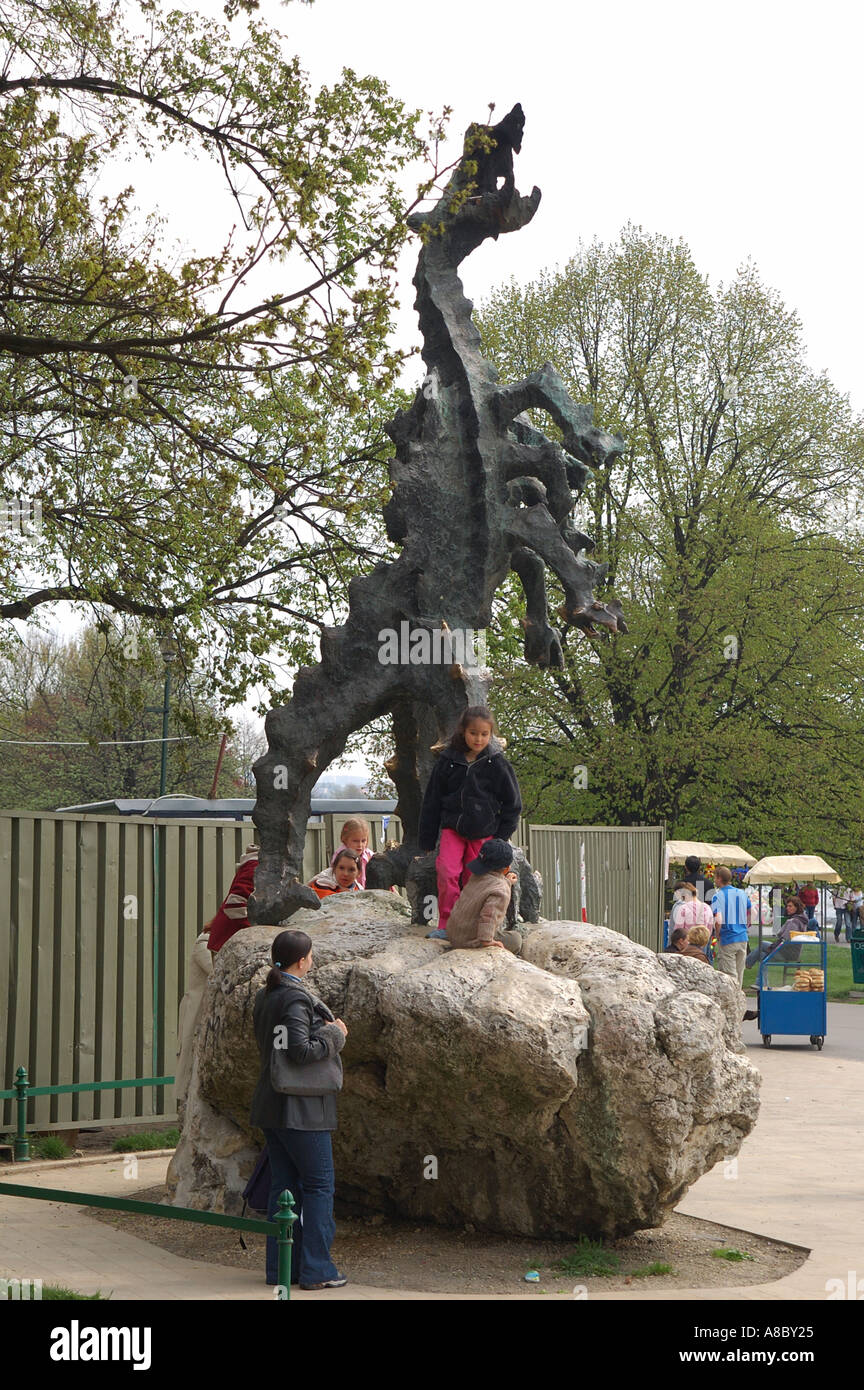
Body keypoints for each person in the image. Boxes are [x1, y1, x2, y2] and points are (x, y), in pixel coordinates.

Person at [251, 928, 348, 1291]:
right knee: (319, 1186)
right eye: (311, 955)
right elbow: (300, 1050)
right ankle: (318, 1270)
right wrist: (335, 1033)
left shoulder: (266, 995)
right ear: (303, 960)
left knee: (283, 1188)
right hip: (301, 1110)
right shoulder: (295, 998)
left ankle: (281, 1270)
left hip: (272, 1107)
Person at [418, 704, 522, 941]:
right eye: (473, 733)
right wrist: (426, 836)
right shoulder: (447, 761)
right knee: (447, 872)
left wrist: (500, 837)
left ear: (491, 734)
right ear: (463, 731)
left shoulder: (497, 763)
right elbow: (432, 801)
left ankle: (473, 926)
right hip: (452, 829)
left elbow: (513, 804)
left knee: (476, 878)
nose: (478, 738)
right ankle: (447, 923)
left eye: (484, 734)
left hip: (484, 834)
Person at [445, 838, 522, 953]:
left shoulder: (476, 877)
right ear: (507, 869)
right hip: (472, 941)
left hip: (453, 934)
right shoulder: (500, 890)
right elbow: (489, 916)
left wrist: (507, 882)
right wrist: (487, 941)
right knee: (516, 939)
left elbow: (490, 883)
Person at [743, 897, 808, 1022]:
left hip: (787, 952)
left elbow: (784, 940)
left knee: (762, 945)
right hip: (793, 952)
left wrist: (772, 947)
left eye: (791, 906)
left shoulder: (793, 921)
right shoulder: (801, 919)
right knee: (763, 957)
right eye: (787, 906)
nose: (788, 908)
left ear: (796, 907)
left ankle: (746, 963)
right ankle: (760, 982)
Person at [207, 843, 259, 953]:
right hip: (230, 943)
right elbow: (234, 905)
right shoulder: (256, 867)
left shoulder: (256, 866)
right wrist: (257, 933)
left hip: (232, 940)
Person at [711, 865, 751, 987]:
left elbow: (718, 919)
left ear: (719, 878)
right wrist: (745, 926)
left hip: (728, 937)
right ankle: (739, 1003)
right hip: (743, 938)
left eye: (715, 878)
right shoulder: (742, 893)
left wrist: (718, 934)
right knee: (739, 974)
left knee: (729, 977)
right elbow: (750, 911)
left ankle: (732, 1003)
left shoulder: (717, 896)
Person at [329, 818, 373, 887]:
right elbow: (334, 876)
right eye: (355, 841)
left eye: (363, 841)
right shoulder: (341, 855)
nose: (360, 845)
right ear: (345, 839)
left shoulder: (368, 854)